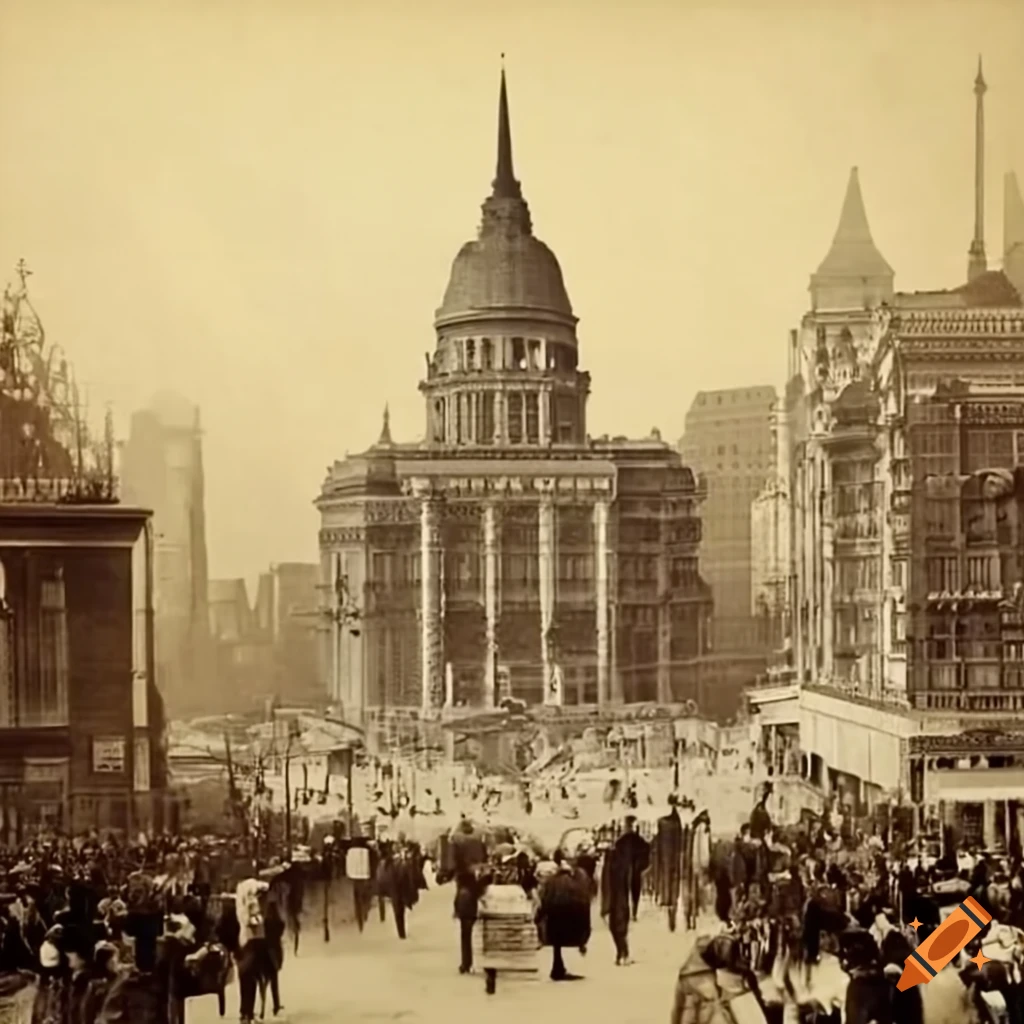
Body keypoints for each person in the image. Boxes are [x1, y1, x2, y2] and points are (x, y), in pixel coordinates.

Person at [599, 844, 632, 965]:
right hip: (622, 901)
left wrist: (605, 906)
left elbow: (605, 885)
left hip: (614, 901)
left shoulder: (609, 866)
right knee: (620, 928)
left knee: (616, 928)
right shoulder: (624, 866)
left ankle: (622, 952)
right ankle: (623, 953)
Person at [614, 817, 650, 922]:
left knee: (624, 892)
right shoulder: (639, 840)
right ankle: (634, 912)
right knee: (635, 891)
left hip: (625, 870)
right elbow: (647, 850)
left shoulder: (620, 842)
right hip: (635, 870)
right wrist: (642, 866)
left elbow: (616, 857)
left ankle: (627, 912)